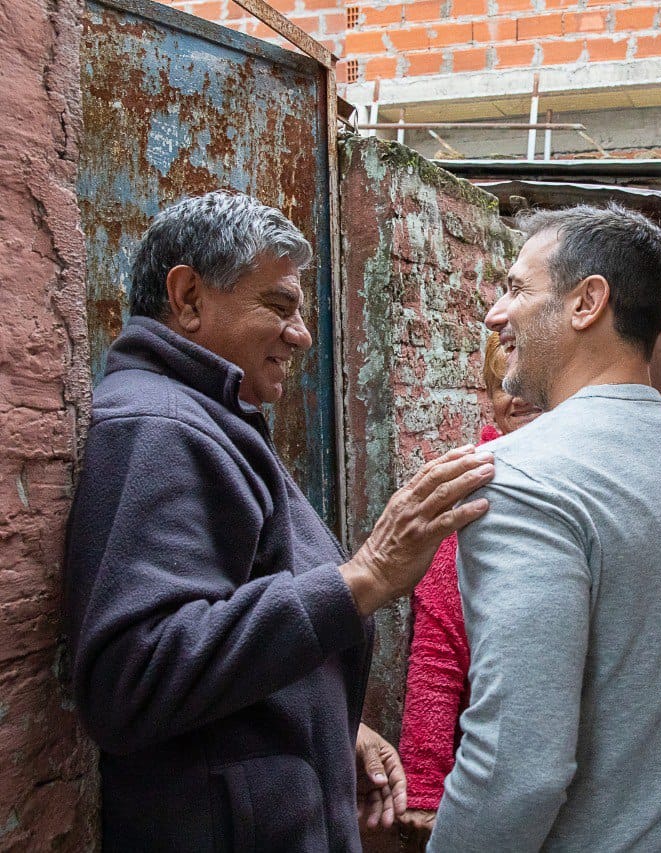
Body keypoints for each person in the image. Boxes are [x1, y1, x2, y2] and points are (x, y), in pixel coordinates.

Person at [62, 192, 494, 852]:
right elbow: (134, 676)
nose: (301, 334)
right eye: (279, 306)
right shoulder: (157, 428)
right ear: (188, 298)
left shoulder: (208, 417)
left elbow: (227, 628)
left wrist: (330, 728)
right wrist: (365, 577)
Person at [428, 204, 661, 852]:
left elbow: (514, 769)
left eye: (517, 289)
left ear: (587, 302)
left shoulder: (524, 479)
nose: (496, 314)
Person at [398, 333, 541, 844]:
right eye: (503, 387)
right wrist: (423, 783)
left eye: (530, 385)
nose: (517, 399)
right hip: (496, 761)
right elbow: (439, 645)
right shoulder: (471, 486)